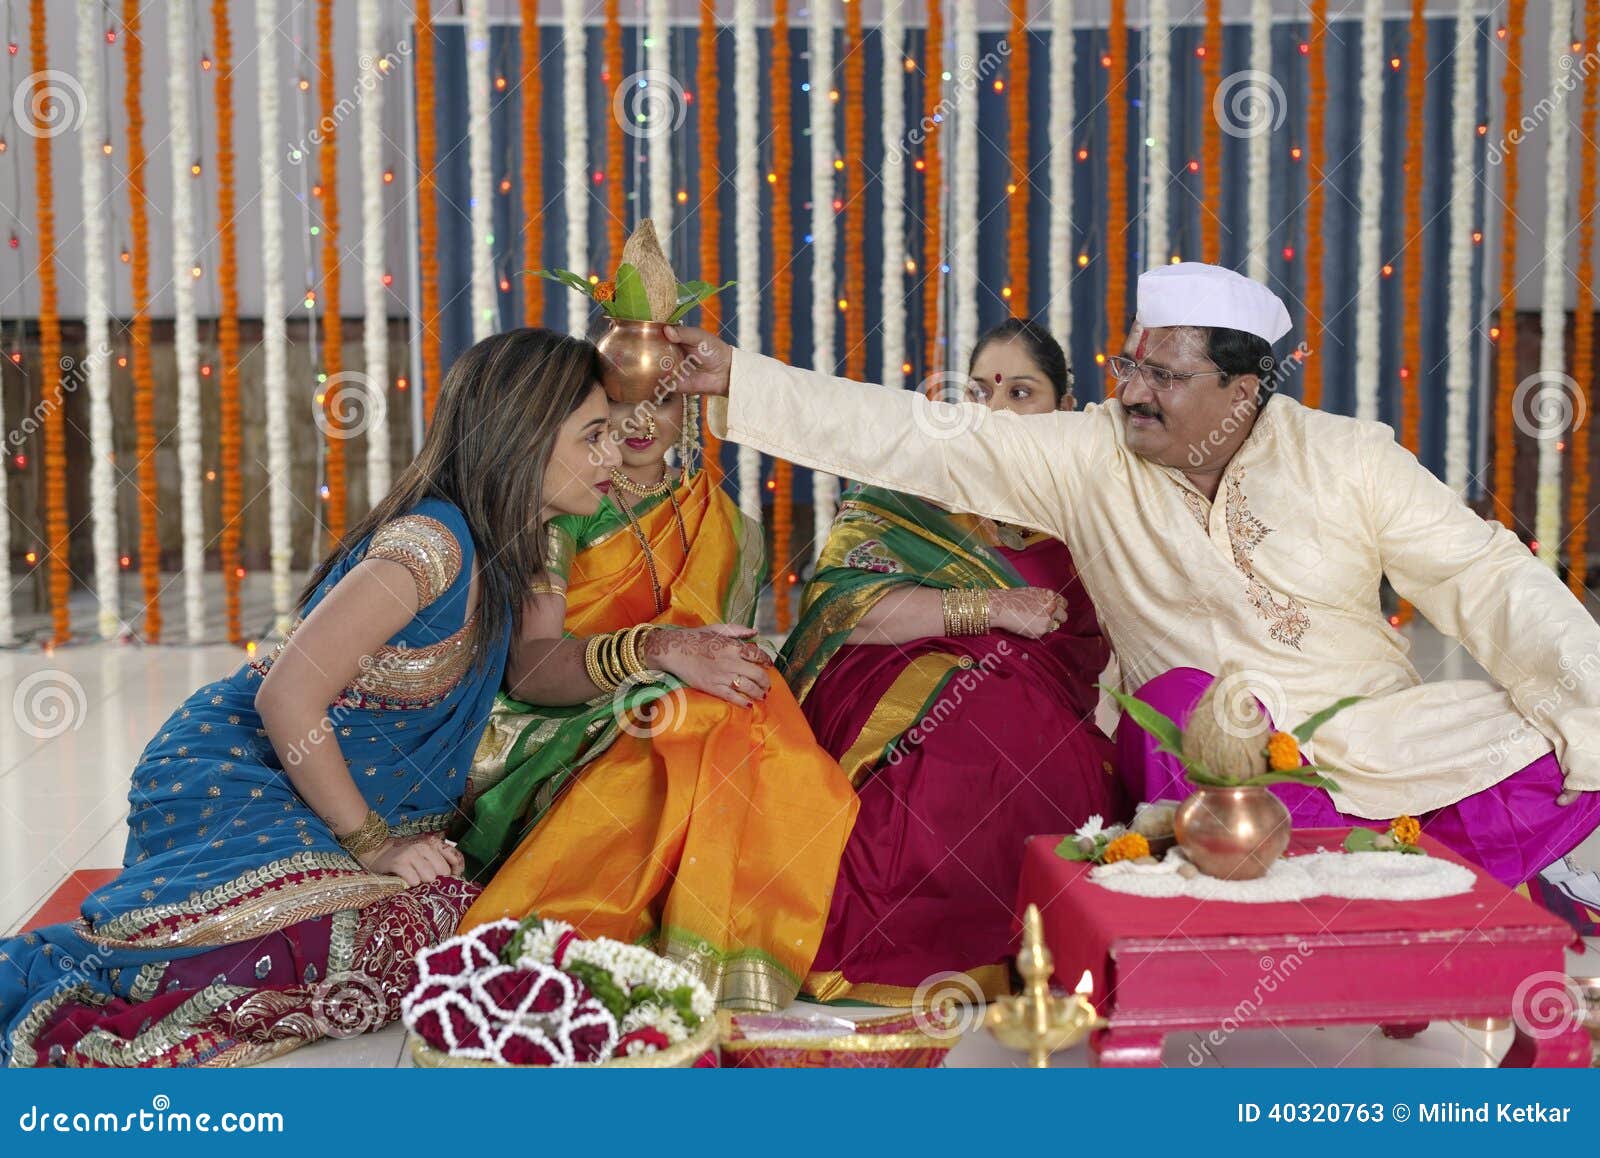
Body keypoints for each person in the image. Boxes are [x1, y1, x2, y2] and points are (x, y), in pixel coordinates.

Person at [661, 261, 1600, 902]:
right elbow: (921, 437)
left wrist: (1584, 693)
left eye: (1164, 373)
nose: (1133, 391)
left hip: (1371, 731)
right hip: (1209, 753)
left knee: (1555, 728)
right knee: (1184, 702)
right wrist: (741, 378)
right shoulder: (1089, 457)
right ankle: (1389, 886)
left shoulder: (1348, 456)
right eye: (1127, 364)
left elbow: (1483, 574)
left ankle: (1393, 893)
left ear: (1243, 391)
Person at [0, 328, 620, 1067]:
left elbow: (535, 668)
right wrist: (376, 847)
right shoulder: (434, 544)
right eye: (595, 436)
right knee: (427, 936)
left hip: (318, 791)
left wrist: (656, 652)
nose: (613, 455)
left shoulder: (527, 541)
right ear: (522, 438)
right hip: (239, 777)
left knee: (465, 924)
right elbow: (288, 696)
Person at [457, 390, 859, 1012]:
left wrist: (719, 662)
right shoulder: (570, 500)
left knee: (748, 704)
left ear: (692, 408)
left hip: (676, 695)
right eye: (619, 400)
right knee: (693, 718)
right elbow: (533, 669)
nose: (641, 420)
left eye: (664, 399)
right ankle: (592, 950)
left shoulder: (725, 524)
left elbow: (719, 646)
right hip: (563, 710)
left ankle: (724, 955)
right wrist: (657, 650)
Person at [784, 320, 1122, 1003]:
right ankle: (902, 951)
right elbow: (841, 608)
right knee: (956, 748)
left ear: (1062, 409)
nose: (994, 412)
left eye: (1020, 392)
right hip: (896, 683)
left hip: (1044, 705)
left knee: (1054, 761)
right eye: (978, 392)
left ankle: (1030, 951)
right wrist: (990, 610)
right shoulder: (915, 480)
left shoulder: (1094, 502)